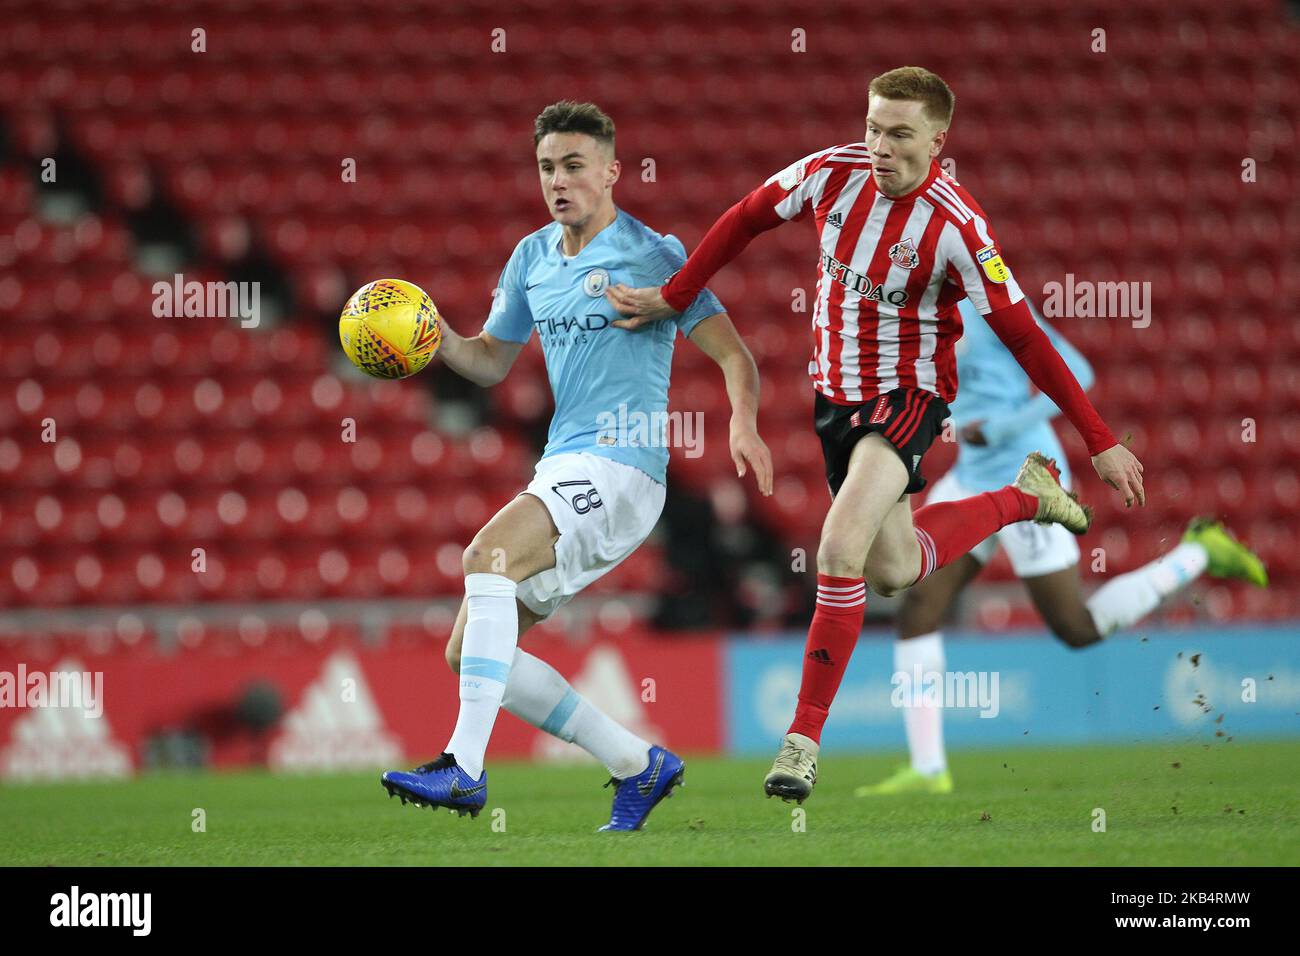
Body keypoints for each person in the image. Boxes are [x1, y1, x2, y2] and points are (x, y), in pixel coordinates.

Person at [605, 66, 1145, 803]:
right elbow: (745, 217)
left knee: (837, 547)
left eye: (898, 133)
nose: (880, 145)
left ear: (936, 140)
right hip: (835, 401)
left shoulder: (959, 228)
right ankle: (1022, 499)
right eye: (872, 126)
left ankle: (801, 742)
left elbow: (1026, 340)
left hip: (909, 400)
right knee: (896, 569)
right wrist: (675, 295)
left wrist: (1098, 437)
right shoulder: (831, 173)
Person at [380, 101, 773, 831]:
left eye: (572, 167)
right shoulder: (531, 257)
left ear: (611, 172)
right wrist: (428, 334)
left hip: (624, 466)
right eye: (546, 168)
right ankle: (637, 763)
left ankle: (464, 767)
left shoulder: (652, 254)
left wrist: (742, 423)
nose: (558, 182)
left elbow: (733, 353)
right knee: (468, 651)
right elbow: (490, 363)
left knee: (486, 554)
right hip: (566, 463)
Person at [857, 298, 1268, 796]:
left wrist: (1001, 426)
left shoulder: (984, 304)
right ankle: (927, 769)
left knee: (1075, 626)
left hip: (1030, 473)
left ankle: (1200, 551)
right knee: (917, 601)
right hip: (970, 477)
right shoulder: (908, 309)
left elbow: (1078, 368)